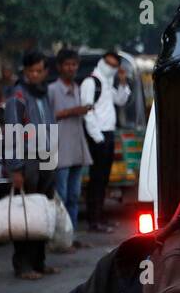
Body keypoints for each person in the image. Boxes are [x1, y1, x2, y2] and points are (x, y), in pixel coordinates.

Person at [3, 50, 58, 280]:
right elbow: (12, 133)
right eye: (32, 71)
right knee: (26, 213)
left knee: (42, 212)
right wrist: (16, 168)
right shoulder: (17, 97)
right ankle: (23, 265)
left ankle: (39, 261)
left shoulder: (43, 94)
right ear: (25, 72)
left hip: (47, 158)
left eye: (40, 70)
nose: (36, 75)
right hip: (28, 161)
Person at [81, 50, 131, 232]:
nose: (110, 68)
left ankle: (100, 217)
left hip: (108, 134)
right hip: (98, 136)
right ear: (102, 62)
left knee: (103, 180)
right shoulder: (90, 82)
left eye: (114, 65)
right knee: (96, 180)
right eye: (108, 63)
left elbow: (121, 100)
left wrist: (123, 81)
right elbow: (87, 112)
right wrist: (98, 138)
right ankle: (94, 221)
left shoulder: (108, 83)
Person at [47, 48, 92, 238]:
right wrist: (73, 111)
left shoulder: (78, 88)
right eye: (67, 64)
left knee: (74, 196)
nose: (71, 68)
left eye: (74, 64)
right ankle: (59, 237)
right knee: (61, 197)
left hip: (76, 148)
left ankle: (70, 236)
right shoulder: (52, 90)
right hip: (59, 149)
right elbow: (48, 117)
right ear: (59, 67)